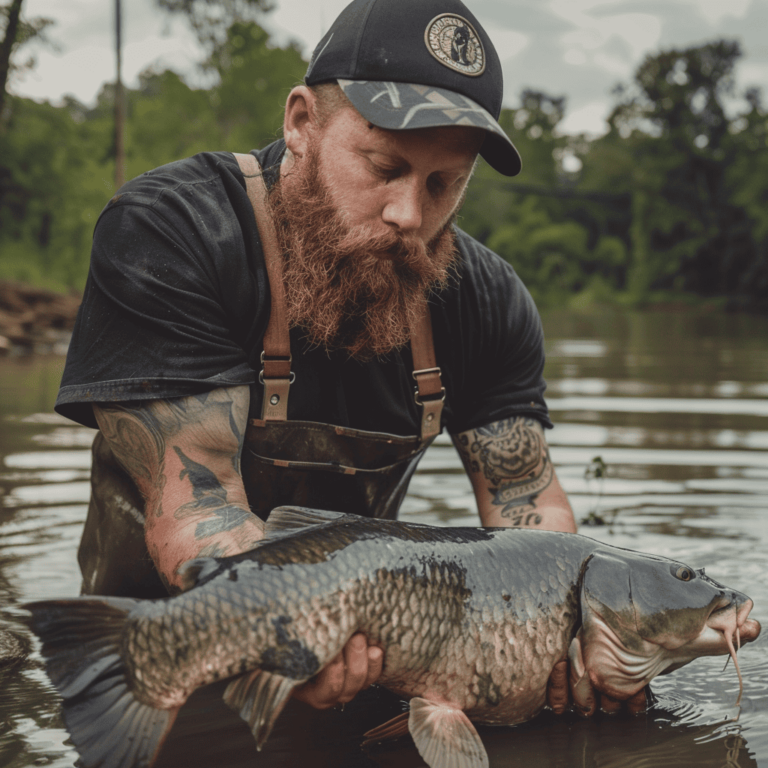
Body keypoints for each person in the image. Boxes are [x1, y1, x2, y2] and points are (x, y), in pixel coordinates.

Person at [55, 0, 642, 717]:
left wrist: (561, 635)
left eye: (442, 184)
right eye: (383, 166)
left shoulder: (486, 301)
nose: (408, 216)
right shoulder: (173, 232)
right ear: (302, 122)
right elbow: (196, 506)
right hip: (150, 649)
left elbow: (531, 513)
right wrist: (298, 631)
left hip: (373, 655)